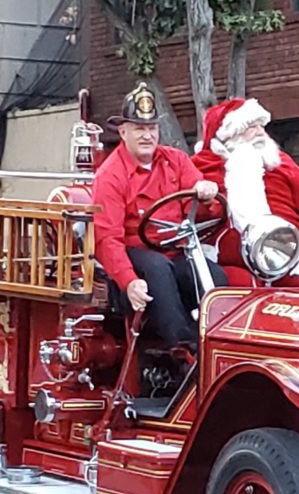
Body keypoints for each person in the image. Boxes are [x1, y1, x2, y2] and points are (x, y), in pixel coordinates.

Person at [92, 83, 225, 346]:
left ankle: (220, 341)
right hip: (137, 252)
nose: (147, 136)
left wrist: (207, 195)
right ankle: (182, 348)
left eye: (151, 128)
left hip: (176, 250)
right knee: (157, 270)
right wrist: (129, 281)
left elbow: (202, 210)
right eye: (139, 129)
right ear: (123, 132)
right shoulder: (110, 175)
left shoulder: (176, 160)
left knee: (215, 276)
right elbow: (107, 239)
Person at [192, 97, 299, 284]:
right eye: (252, 127)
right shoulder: (202, 167)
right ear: (231, 135)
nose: (261, 132)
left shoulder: (281, 163)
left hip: (289, 255)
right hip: (232, 263)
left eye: (261, 126)